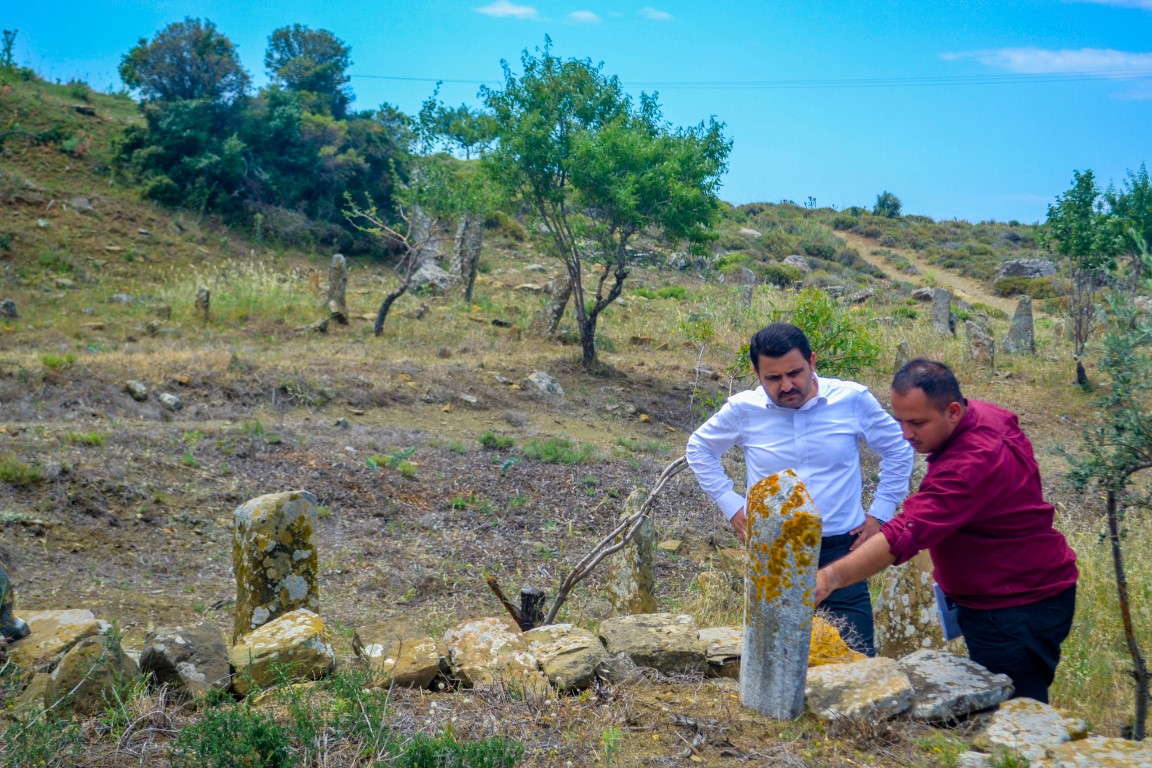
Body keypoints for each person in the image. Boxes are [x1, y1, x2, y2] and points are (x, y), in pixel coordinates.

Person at [814, 358, 1078, 703]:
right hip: (1023, 592)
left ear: (953, 411)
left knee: (1013, 715)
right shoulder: (984, 415)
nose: (905, 434)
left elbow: (904, 534)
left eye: (917, 423)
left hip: (1014, 606)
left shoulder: (972, 463)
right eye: (900, 420)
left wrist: (827, 580)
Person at [686, 322, 914, 655]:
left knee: (856, 657)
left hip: (844, 550)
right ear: (756, 373)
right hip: (777, 551)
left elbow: (899, 448)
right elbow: (699, 448)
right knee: (776, 658)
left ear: (812, 361)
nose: (787, 385)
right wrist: (733, 507)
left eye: (795, 372)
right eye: (773, 378)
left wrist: (880, 512)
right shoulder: (742, 410)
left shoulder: (851, 400)